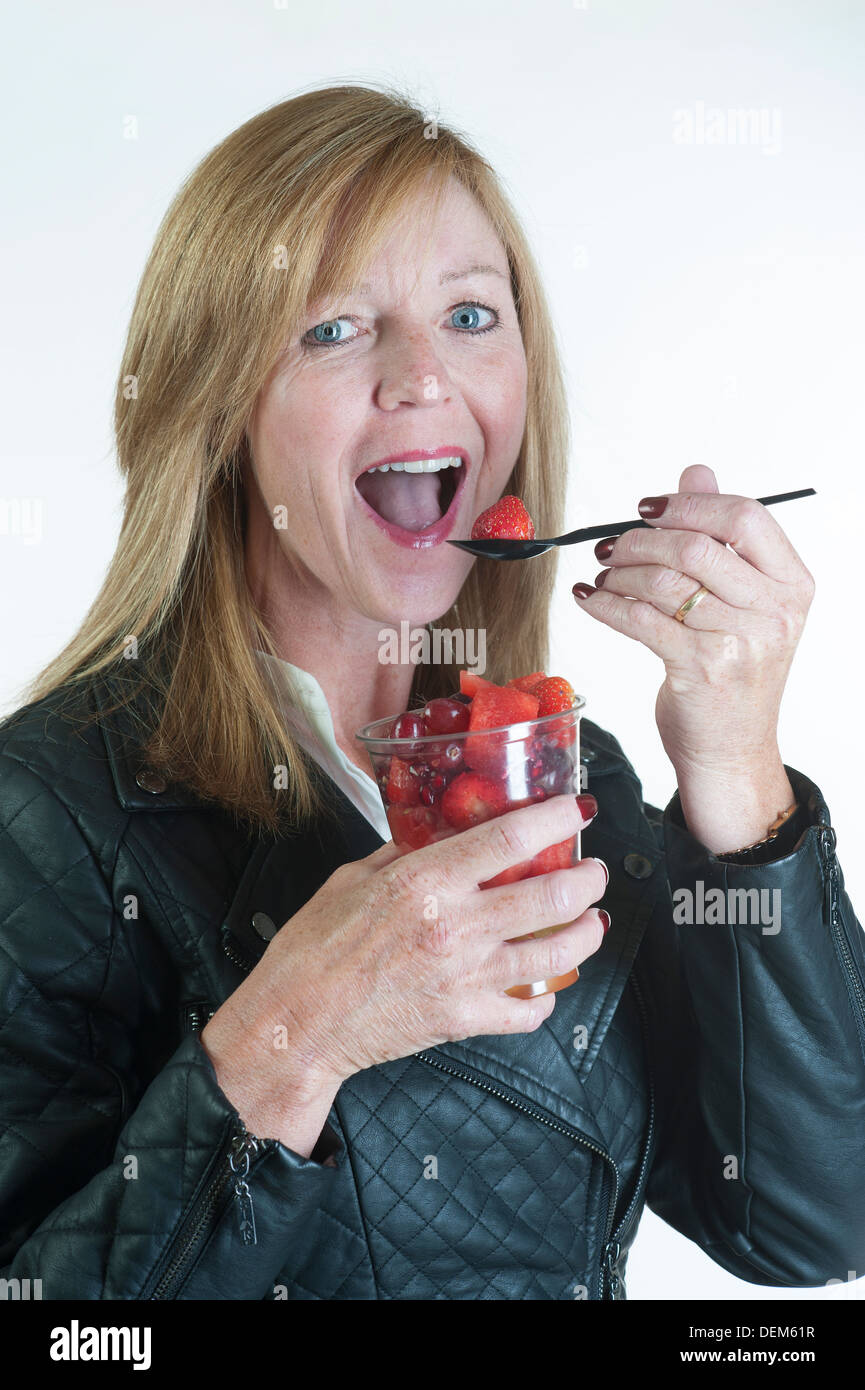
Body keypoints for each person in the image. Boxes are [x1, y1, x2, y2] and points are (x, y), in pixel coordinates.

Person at [1, 83, 863, 1302]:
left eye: (469, 312)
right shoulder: (46, 811)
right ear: (215, 404)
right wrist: (290, 1038)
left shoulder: (568, 773)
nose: (420, 376)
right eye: (333, 328)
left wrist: (737, 776)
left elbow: (809, 1224)